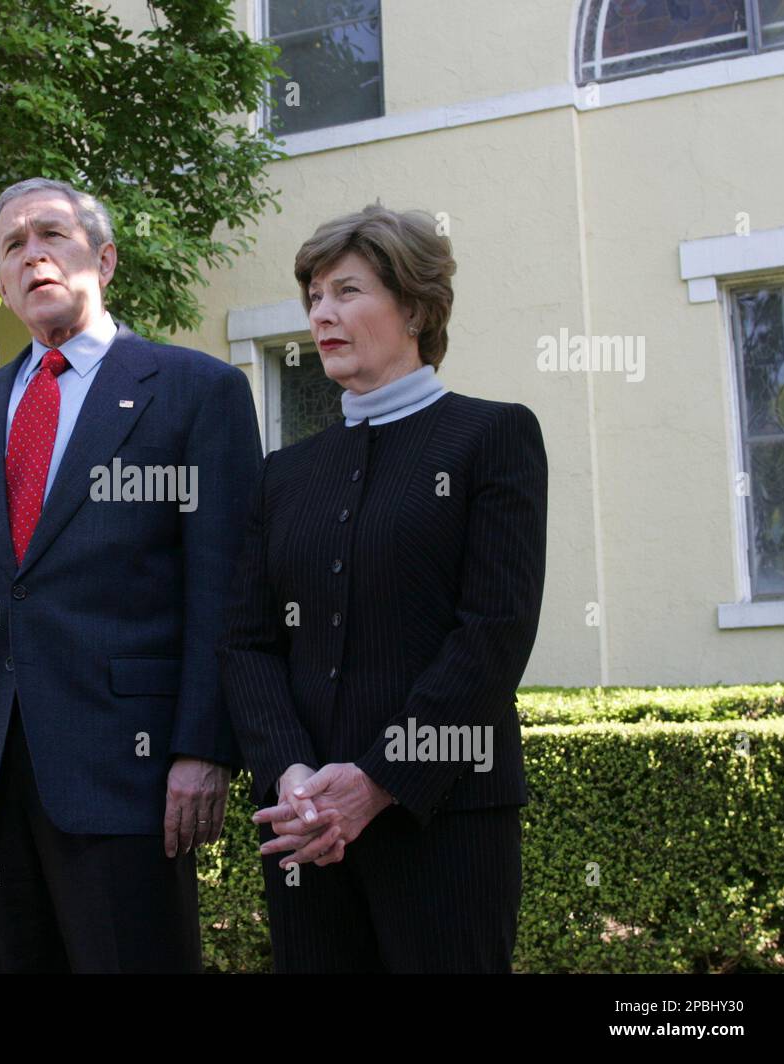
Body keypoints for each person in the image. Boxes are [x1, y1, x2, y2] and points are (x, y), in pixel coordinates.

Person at [0, 177, 263, 973]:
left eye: (53, 236)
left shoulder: (196, 392)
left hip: (127, 770)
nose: (33, 255)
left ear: (104, 260)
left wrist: (202, 746)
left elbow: (226, 590)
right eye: (14, 247)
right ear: (2, 284)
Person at [218, 203, 548, 973]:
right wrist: (291, 775)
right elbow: (247, 641)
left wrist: (377, 783)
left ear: (417, 308)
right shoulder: (284, 474)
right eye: (313, 298)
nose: (322, 314)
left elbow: (494, 632)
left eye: (347, 292)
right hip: (304, 830)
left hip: (446, 825)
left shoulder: (492, 437)